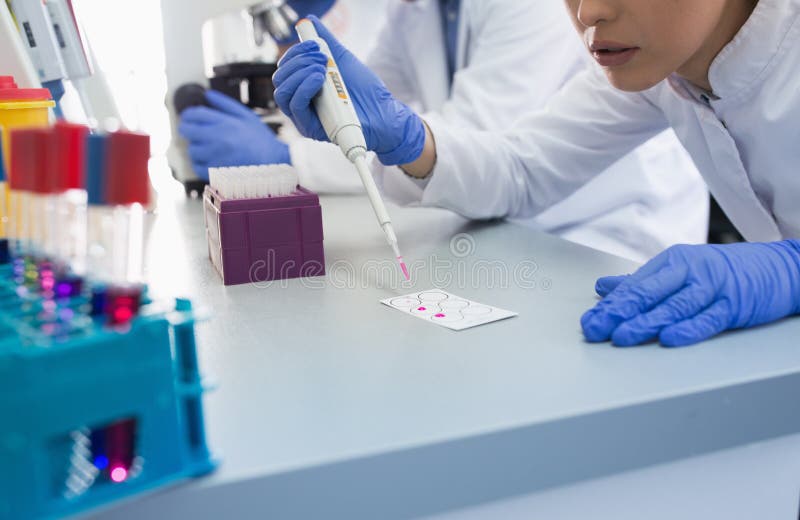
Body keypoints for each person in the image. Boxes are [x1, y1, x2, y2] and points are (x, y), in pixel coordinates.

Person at [274, 0, 800, 348]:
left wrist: (791, 270)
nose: (589, 11)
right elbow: (522, 170)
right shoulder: (658, 72)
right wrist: (408, 138)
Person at [180, 0, 709, 262]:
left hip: (610, 239)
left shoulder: (536, 8)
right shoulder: (418, 9)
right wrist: (333, 128)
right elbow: (371, 106)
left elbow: (480, 133)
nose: (591, 9)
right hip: (510, 222)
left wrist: (285, 159)